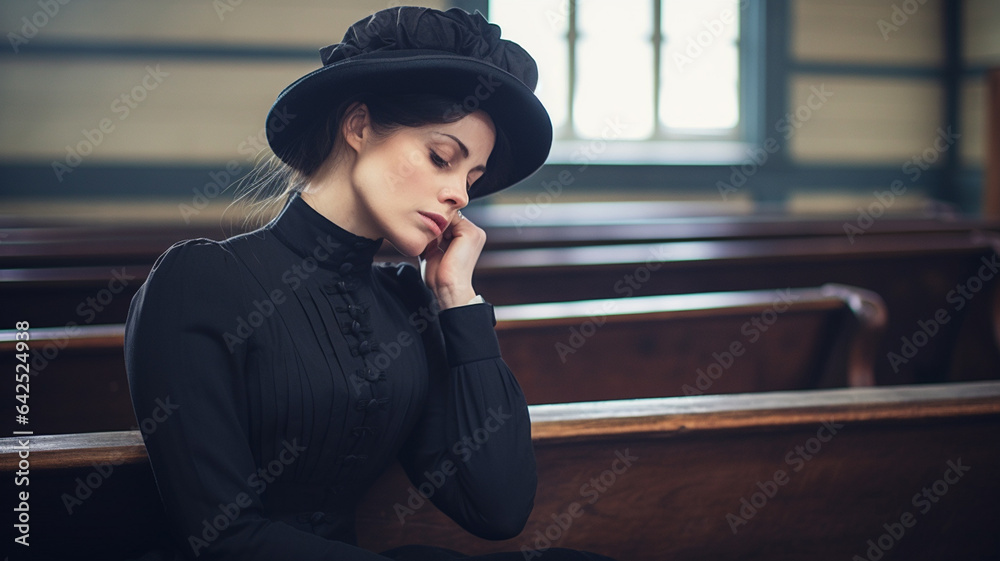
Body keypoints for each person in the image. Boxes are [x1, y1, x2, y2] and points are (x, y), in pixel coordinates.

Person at [124, 6, 615, 561]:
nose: (460, 195)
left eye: (471, 178)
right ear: (357, 126)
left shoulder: (406, 303)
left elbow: (497, 509)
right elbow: (224, 539)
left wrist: (459, 300)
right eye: (441, 158)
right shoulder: (200, 281)